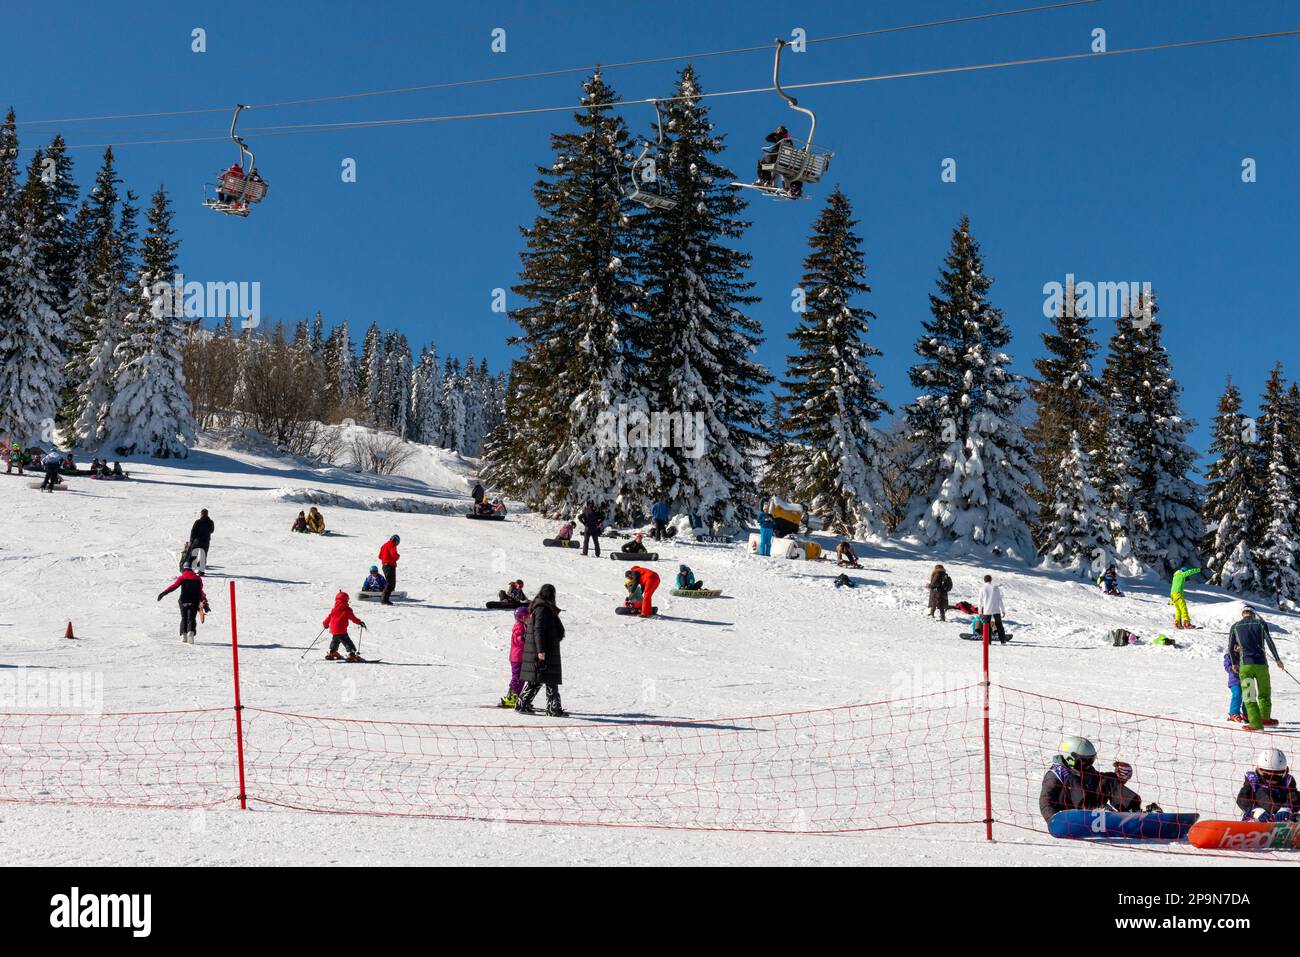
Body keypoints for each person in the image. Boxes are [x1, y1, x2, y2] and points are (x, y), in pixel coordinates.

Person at [1038, 735, 1153, 823]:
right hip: (1068, 816)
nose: (1089, 764)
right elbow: (1045, 800)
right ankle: (1094, 811)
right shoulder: (1056, 774)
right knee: (1072, 779)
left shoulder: (1085, 769)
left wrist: (1117, 777)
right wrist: (1053, 820)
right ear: (1071, 758)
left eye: (1091, 760)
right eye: (1085, 761)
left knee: (1107, 780)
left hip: (1092, 810)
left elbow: (1101, 781)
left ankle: (1134, 812)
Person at [1229, 604, 1285, 731]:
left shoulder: (1235, 626)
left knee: (1249, 695)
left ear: (1243, 614)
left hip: (1246, 666)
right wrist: (1277, 659)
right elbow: (1270, 642)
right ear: (1253, 614)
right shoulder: (1260, 624)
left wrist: (1233, 663)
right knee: (1264, 693)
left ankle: (1255, 723)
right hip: (1261, 665)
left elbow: (1230, 647)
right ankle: (1265, 718)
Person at [516, 583, 566, 717]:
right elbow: (538, 630)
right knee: (546, 679)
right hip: (543, 650)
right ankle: (552, 709)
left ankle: (524, 705)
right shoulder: (542, 609)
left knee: (542, 679)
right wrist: (540, 651)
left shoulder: (542, 607)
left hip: (545, 649)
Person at [1236, 749, 1300, 822]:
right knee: (1260, 792)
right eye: (1267, 776)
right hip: (1258, 817)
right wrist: (1255, 810)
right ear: (1259, 771)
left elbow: (1294, 797)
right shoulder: (1252, 780)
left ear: (1284, 772)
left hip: (1282, 818)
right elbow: (1242, 799)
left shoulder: (1287, 781)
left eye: (1276, 777)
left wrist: (1287, 807)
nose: (1271, 780)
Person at [157, 562, 210, 645]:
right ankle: (190, 634)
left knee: (184, 617)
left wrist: (163, 593)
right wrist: (205, 605)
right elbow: (201, 592)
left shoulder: (182, 577)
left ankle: (184, 635)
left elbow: (174, 586)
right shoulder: (198, 578)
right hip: (194, 601)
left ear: (183, 569)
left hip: (183, 600)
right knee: (191, 618)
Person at [321, 590, 365, 662]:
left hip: (334, 630)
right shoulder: (347, 610)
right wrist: (359, 622)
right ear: (346, 600)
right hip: (342, 630)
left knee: (335, 641)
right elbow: (353, 618)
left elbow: (328, 618)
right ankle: (352, 654)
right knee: (347, 642)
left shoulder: (334, 610)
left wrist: (325, 624)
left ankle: (332, 653)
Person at [500, 604, 529, 708]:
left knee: (521, 678)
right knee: (517, 678)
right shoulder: (519, 626)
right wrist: (524, 637)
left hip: (521, 656)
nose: (529, 619)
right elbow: (517, 639)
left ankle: (516, 697)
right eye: (528, 617)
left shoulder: (524, 625)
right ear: (522, 617)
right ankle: (511, 697)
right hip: (517, 657)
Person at [977, 574, 1008, 643]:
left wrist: (980, 612)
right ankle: (1003, 641)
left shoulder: (982, 588)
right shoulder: (995, 588)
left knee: (987, 626)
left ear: (984, 580)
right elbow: (999, 600)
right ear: (991, 580)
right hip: (996, 610)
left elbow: (980, 601)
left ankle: (988, 642)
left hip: (987, 610)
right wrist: (1003, 610)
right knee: (999, 625)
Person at [1169, 565, 1200, 629]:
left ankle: (1177, 623)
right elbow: (1189, 572)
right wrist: (1198, 569)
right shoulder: (1181, 574)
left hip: (1173, 595)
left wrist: (1171, 599)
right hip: (1178, 594)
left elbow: (1174, 587)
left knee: (1178, 609)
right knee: (1183, 607)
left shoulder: (1175, 576)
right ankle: (1186, 623)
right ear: (1184, 571)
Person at [1225, 643, 1248, 724]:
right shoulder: (1229, 656)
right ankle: (1234, 713)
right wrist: (1232, 669)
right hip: (1234, 680)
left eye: (1238, 646)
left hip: (1245, 679)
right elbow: (1227, 666)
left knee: (1247, 695)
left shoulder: (1244, 656)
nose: (1237, 648)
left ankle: (1247, 713)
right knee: (1237, 694)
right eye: (1234, 646)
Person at [189, 509, 214, 575]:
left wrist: (191, 540)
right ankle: (201, 571)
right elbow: (212, 530)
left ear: (201, 514)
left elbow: (193, 531)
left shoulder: (198, 521)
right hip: (206, 541)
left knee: (194, 554)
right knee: (203, 555)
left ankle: (191, 571)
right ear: (207, 514)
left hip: (197, 540)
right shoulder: (210, 522)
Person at [378, 534, 400, 604]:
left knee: (389, 583)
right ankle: (384, 600)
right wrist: (398, 556)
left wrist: (385, 558)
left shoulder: (384, 545)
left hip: (384, 566)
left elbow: (380, 556)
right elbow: (394, 555)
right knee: (391, 584)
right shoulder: (392, 545)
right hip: (390, 566)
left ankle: (384, 599)